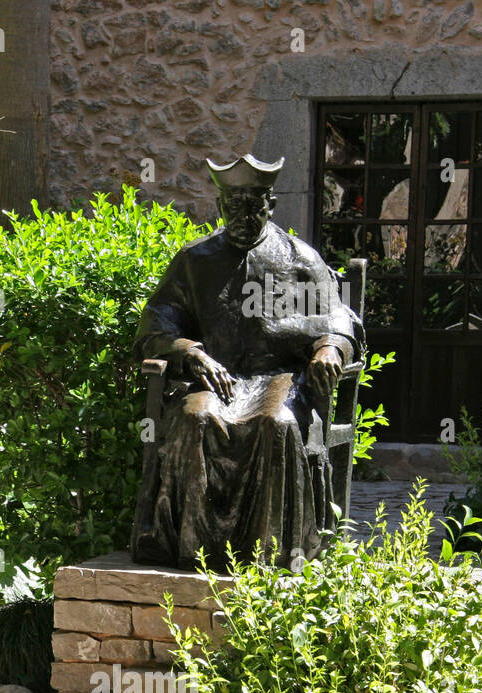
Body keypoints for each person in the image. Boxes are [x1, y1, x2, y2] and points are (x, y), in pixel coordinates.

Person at [130, 154, 363, 571]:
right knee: (194, 418)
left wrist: (330, 348)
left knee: (277, 424)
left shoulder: (299, 259)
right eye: (233, 205)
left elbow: (338, 319)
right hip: (215, 380)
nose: (242, 215)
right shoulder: (194, 260)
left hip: (280, 380)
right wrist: (189, 352)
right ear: (220, 207)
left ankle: (270, 555)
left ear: (270, 205)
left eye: (253, 206)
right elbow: (157, 320)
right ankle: (194, 553)